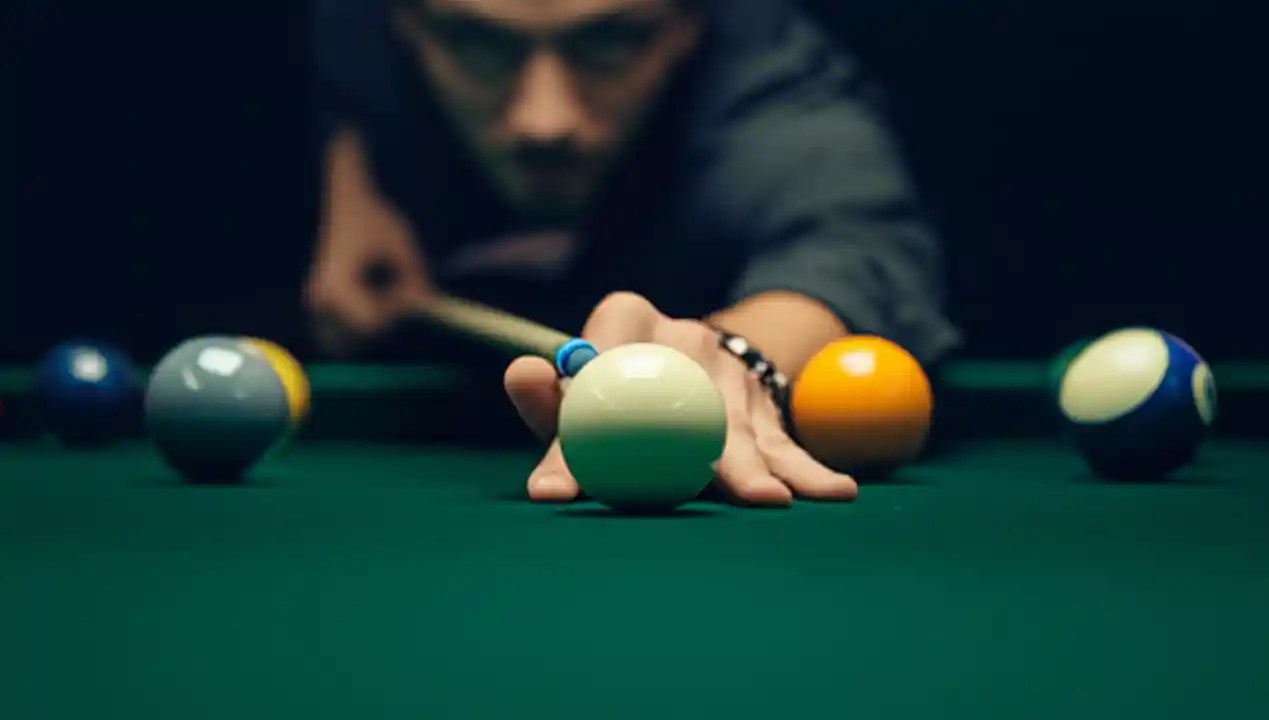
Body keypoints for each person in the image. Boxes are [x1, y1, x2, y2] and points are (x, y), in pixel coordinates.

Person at [305, 0, 961, 507]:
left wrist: (740, 352)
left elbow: (853, 239)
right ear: (405, 24)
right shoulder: (363, 38)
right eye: (480, 44)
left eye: (609, 43)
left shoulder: (766, 93)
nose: (545, 121)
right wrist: (351, 164)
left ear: (688, 24)